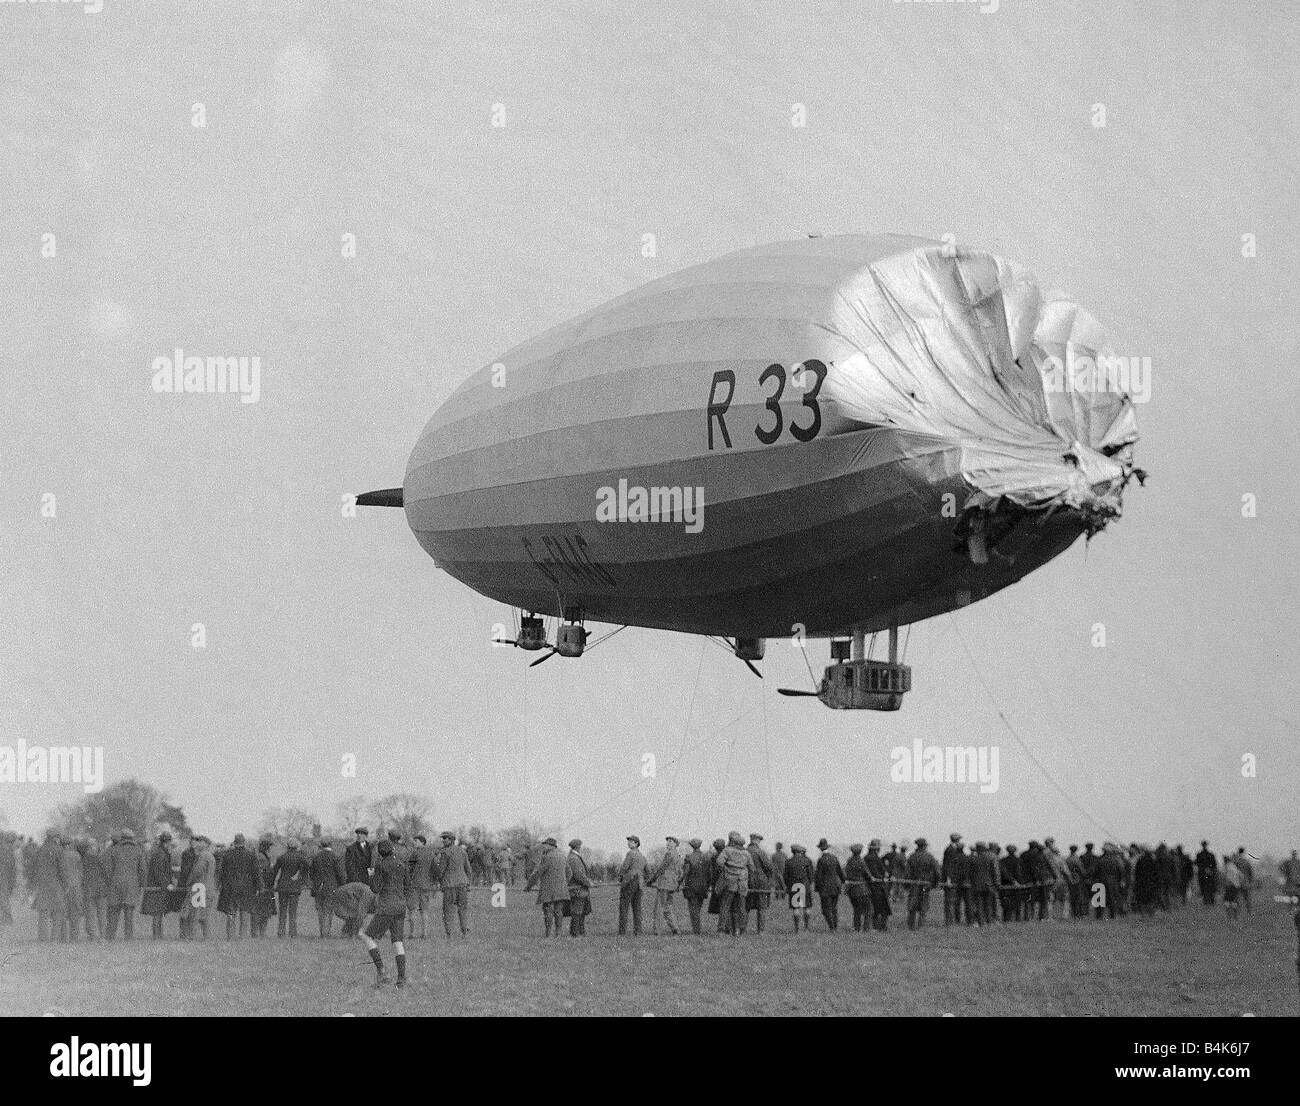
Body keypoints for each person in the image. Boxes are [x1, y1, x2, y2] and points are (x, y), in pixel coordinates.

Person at [364, 839, 410, 987]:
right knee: (397, 941)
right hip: (400, 907)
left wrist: (371, 876)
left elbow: (375, 889)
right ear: (393, 850)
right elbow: (408, 886)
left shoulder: (381, 865)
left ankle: (382, 971)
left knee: (367, 937)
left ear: (380, 853)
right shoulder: (402, 864)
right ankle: (401, 978)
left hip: (386, 907)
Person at [103, 829, 147, 941]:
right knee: (129, 912)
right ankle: (128, 937)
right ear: (132, 838)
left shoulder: (113, 850)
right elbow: (142, 870)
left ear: (122, 838)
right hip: (132, 884)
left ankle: (110, 937)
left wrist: (110, 881)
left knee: (113, 911)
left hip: (115, 883)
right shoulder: (138, 850)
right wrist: (141, 884)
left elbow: (107, 869)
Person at [217, 833, 260, 939]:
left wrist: (220, 884)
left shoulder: (227, 855)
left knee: (231, 912)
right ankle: (242, 936)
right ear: (244, 842)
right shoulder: (251, 855)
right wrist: (259, 886)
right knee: (244, 912)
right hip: (246, 888)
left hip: (230, 888)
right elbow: (256, 873)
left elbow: (221, 872)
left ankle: (230, 935)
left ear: (235, 842)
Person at [525, 836, 568, 937]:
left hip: (548, 889)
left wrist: (529, 886)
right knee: (558, 911)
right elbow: (569, 872)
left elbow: (537, 873)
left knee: (548, 911)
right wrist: (564, 883)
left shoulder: (547, 857)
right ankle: (558, 933)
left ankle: (548, 934)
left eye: (545, 845)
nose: (544, 847)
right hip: (561, 889)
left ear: (551, 846)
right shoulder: (562, 856)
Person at [435, 830, 472, 937]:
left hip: (449, 885)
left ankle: (449, 933)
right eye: (442, 838)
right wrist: (468, 883)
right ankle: (464, 932)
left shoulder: (445, 852)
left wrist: (439, 881)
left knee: (448, 910)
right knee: (463, 909)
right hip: (462, 884)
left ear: (451, 839)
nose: (443, 840)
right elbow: (468, 869)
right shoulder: (462, 851)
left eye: (445, 838)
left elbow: (441, 870)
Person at [716, 832, 753, 937]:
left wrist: (727, 868)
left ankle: (722, 930)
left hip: (729, 881)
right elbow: (752, 867)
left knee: (725, 906)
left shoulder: (727, 850)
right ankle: (739, 930)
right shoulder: (746, 853)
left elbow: (719, 862)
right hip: (742, 883)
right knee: (740, 907)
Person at [32, 831, 67, 942]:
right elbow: (62, 870)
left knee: (43, 911)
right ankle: (55, 938)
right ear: (55, 838)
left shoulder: (40, 849)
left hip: (43, 884)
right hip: (55, 884)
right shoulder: (59, 850)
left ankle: (43, 938)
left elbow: (35, 867)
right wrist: (65, 884)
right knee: (58, 911)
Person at [271, 838, 309, 938]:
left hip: (283, 887)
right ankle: (292, 933)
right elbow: (307, 868)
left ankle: (281, 932)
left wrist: (272, 883)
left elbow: (274, 871)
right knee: (293, 911)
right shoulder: (301, 857)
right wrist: (301, 878)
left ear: (287, 846)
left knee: (282, 911)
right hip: (294, 887)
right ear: (296, 846)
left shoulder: (282, 857)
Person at [310, 838, 346, 938]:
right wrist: (342, 885)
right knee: (328, 911)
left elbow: (311, 874)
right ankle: (327, 933)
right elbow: (340, 874)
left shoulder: (316, 857)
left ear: (321, 845)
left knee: (320, 911)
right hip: (331, 887)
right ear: (331, 845)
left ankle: (322, 932)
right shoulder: (335, 857)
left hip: (318, 887)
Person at [648, 836, 683, 935]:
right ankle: (675, 929)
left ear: (675, 844)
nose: (668, 843)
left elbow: (661, 868)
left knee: (659, 908)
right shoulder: (678, 855)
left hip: (664, 884)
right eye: (667, 841)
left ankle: (657, 930)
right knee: (668, 907)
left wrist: (651, 880)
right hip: (672, 885)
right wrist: (677, 883)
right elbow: (680, 872)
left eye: (670, 841)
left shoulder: (669, 853)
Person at [182, 836, 216, 939]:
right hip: (208, 887)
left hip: (199, 887)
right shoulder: (210, 856)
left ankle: (192, 936)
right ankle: (206, 937)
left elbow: (197, 871)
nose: (198, 844)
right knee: (204, 914)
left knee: (195, 914)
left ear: (205, 844)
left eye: (200, 842)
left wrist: (188, 881)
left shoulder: (203, 856)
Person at [144, 832, 175, 939]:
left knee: (159, 912)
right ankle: (157, 936)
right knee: (157, 913)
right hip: (158, 888)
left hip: (158, 887)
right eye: (169, 842)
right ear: (166, 842)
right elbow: (159, 873)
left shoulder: (160, 852)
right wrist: (167, 885)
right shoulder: (161, 854)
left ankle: (158, 935)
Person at [905, 837, 940, 929]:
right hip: (925, 885)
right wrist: (934, 883)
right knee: (923, 904)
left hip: (914, 884)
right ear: (924, 846)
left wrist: (907, 885)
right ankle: (921, 925)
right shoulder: (929, 857)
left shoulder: (912, 856)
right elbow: (937, 872)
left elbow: (907, 872)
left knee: (912, 904)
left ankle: (911, 926)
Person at [408, 835, 438, 939]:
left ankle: (412, 933)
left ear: (422, 842)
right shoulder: (431, 854)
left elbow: (409, 868)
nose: (414, 843)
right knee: (424, 911)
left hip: (415, 885)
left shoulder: (414, 853)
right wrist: (433, 883)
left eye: (416, 841)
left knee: (413, 910)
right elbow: (435, 870)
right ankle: (424, 934)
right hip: (426, 886)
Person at [617, 835, 647, 936]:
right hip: (640, 884)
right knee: (637, 908)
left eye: (631, 841)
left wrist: (620, 877)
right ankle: (638, 931)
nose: (628, 843)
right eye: (629, 841)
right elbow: (648, 870)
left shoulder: (630, 853)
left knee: (624, 907)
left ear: (636, 844)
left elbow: (624, 867)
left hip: (629, 882)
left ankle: (622, 932)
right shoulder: (642, 856)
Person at [680, 838, 709, 935]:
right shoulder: (706, 857)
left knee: (693, 908)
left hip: (691, 886)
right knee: (698, 907)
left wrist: (680, 882)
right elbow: (710, 873)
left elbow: (685, 872)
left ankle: (696, 930)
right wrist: (707, 885)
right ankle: (697, 929)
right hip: (703, 887)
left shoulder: (688, 857)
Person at [80, 838, 108, 940]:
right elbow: (105, 873)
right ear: (91, 847)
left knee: (90, 914)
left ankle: (92, 935)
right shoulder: (99, 858)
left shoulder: (82, 860)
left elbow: (81, 875)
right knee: (102, 914)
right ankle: (103, 935)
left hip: (88, 889)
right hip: (101, 889)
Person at [814, 838, 844, 932]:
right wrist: (843, 881)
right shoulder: (834, 858)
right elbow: (840, 872)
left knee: (826, 909)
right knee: (834, 908)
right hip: (836, 886)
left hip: (825, 888)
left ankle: (832, 927)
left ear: (820, 848)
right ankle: (835, 926)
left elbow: (818, 876)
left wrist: (817, 888)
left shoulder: (821, 860)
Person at [59, 836, 84, 943]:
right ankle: (74, 937)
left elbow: (60, 872)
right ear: (70, 844)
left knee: (63, 912)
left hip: (64, 887)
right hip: (76, 886)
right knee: (75, 912)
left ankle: (63, 937)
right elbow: (81, 871)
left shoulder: (60, 855)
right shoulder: (76, 855)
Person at [785, 844, 815, 932]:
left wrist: (788, 885)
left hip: (794, 886)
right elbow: (811, 875)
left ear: (793, 852)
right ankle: (806, 927)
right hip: (805, 886)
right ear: (801, 852)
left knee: (796, 908)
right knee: (807, 907)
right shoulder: (807, 860)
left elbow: (786, 876)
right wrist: (810, 883)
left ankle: (797, 928)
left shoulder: (789, 861)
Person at [565, 839, 592, 936]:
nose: (581, 848)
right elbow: (578, 874)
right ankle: (575, 933)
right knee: (577, 912)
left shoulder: (574, 857)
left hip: (580, 889)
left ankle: (581, 932)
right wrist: (588, 883)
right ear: (577, 847)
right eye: (580, 846)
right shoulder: (573, 858)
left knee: (582, 911)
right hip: (577, 889)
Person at [864, 839, 892, 931]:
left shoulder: (867, 857)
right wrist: (884, 877)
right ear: (876, 848)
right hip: (877, 886)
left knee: (876, 907)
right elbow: (875, 872)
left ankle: (878, 926)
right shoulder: (873, 858)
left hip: (871, 885)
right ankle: (880, 927)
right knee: (882, 908)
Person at [844, 844, 870, 932]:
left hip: (851, 889)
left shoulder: (849, 861)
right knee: (868, 909)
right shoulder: (861, 861)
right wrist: (871, 878)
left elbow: (846, 873)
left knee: (856, 909)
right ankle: (866, 928)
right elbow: (867, 875)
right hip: (861, 889)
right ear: (860, 852)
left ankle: (856, 928)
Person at [941, 834, 965, 925]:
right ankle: (949, 920)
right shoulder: (950, 850)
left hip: (954, 879)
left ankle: (953, 920)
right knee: (950, 900)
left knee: (954, 900)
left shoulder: (952, 849)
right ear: (957, 840)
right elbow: (948, 865)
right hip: (951, 879)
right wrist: (948, 878)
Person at [705, 838, 727, 932]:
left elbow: (710, 872)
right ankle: (726, 926)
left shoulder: (714, 857)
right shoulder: (726, 855)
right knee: (725, 905)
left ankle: (722, 927)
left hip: (717, 883)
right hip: (726, 882)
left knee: (722, 905)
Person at [0, 834, 16, 926]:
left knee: (3, 899)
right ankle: (7, 919)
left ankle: (6, 919)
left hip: (3, 878)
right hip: (4, 879)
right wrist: (11, 883)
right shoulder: (8, 851)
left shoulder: (6, 850)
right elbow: (12, 869)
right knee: (4, 899)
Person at [1194, 841, 1217, 905]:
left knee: (1204, 886)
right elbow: (1214, 865)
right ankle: (1210, 900)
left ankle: (1207, 900)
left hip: (1202, 873)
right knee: (1209, 886)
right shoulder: (1210, 854)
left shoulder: (1199, 855)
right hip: (1208, 873)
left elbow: (1196, 863)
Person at [1232, 849, 1254, 913]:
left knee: (1236, 897)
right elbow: (1250, 872)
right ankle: (1249, 910)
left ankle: (1237, 911)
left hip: (1237, 882)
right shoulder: (1246, 861)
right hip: (1245, 882)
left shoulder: (1235, 861)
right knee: (1246, 897)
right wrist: (1250, 880)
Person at [1221, 854, 1241, 919]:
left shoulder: (1227, 867)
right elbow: (1240, 875)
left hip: (1229, 886)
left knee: (1227, 901)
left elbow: (1227, 878)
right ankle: (1235, 916)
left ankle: (1228, 916)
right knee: (1234, 900)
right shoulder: (1234, 866)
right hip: (1236, 886)